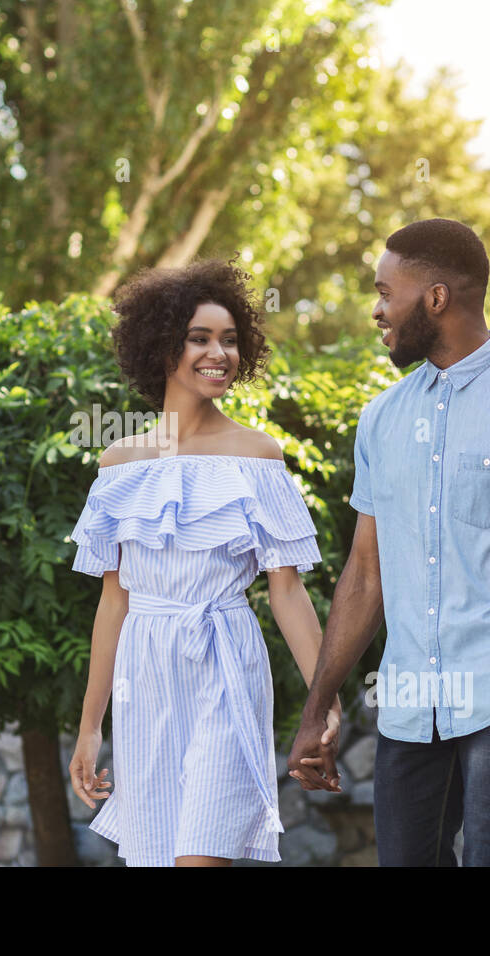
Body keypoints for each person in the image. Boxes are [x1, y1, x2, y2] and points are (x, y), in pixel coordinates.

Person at [287, 218, 490, 866]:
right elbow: (364, 575)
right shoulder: (381, 420)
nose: (376, 310)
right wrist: (317, 707)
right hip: (410, 703)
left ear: (435, 298)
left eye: (385, 292)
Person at [67, 257, 340, 866]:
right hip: (146, 673)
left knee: (202, 857)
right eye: (200, 338)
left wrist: (325, 701)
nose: (220, 352)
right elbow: (114, 604)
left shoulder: (257, 455)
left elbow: (287, 592)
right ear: (163, 346)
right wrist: (90, 727)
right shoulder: (119, 465)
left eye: (230, 339)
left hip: (226, 663)